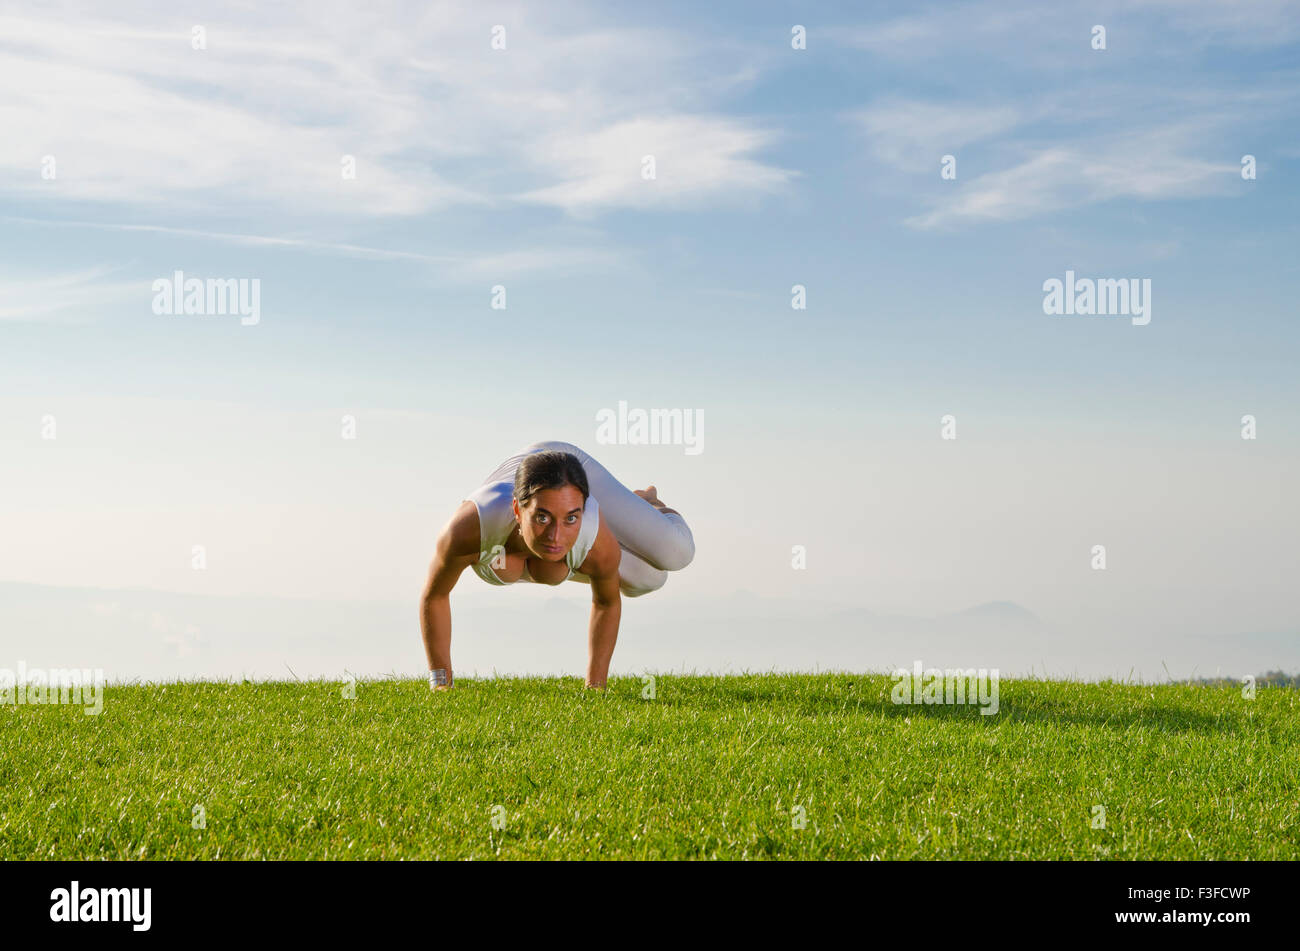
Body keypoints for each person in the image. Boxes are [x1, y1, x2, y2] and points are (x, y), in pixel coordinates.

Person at [419, 440, 695, 691]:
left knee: (676, 555)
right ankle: (621, 515)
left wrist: (594, 687)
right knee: (650, 578)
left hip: (573, 467)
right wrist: (441, 683)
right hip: (533, 473)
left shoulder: (589, 529)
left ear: (582, 513)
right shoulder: (470, 528)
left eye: (570, 520)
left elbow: (606, 602)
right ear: (517, 510)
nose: (555, 536)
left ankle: (649, 503)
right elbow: (435, 595)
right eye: (542, 518)